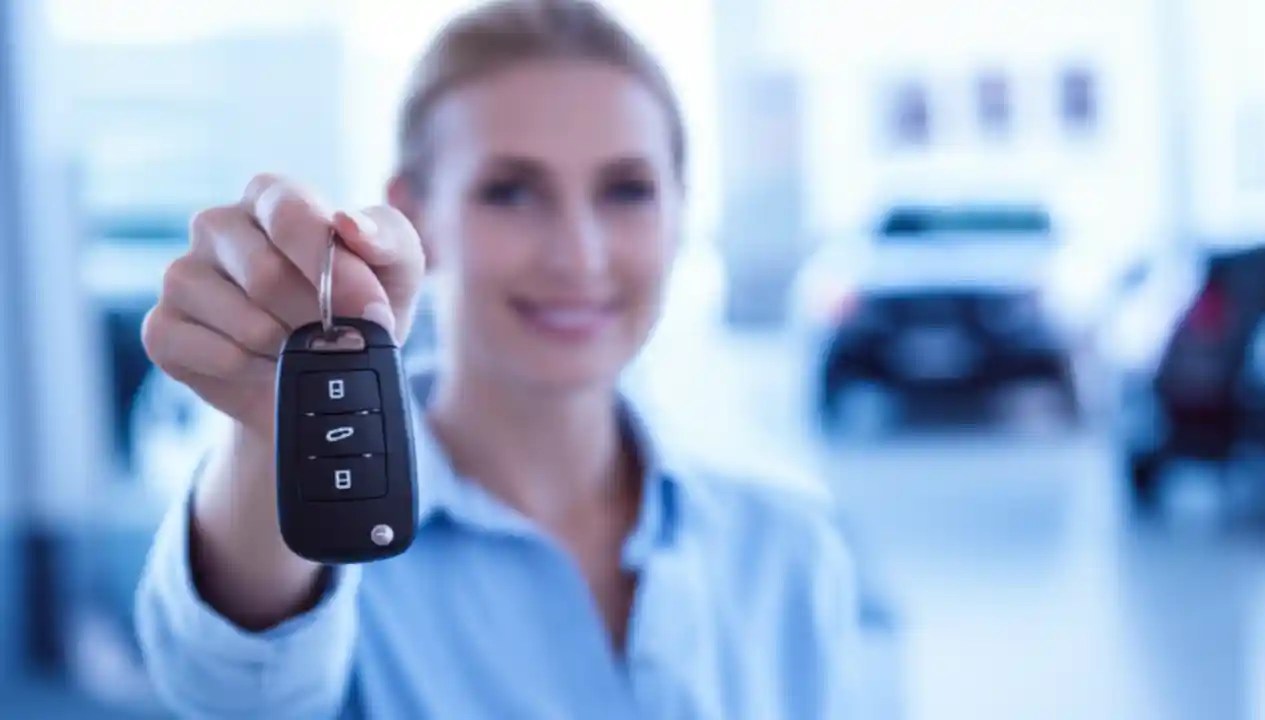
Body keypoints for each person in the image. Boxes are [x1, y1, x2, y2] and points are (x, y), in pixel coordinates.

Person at [134, 0, 860, 717]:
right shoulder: (343, 554)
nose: (578, 254)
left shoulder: (787, 549)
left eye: (627, 191)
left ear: (680, 211)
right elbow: (227, 686)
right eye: (509, 192)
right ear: (415, 214)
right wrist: (274, 430)